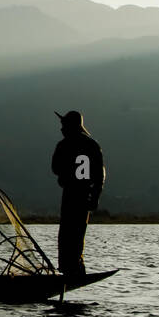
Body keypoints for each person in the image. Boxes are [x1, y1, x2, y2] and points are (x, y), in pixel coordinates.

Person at [50, 110, 105, 278]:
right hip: (84, 196)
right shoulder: (91, 145)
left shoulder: (63, 145)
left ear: (71, 127)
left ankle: (69, 270)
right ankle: (74, 269)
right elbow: (100, 174)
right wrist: (95, 196)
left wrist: (65, 176)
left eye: (64, 125)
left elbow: (55, 169)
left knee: (67, 234)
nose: (61, 128)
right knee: (76, 234)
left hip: (73, 196)